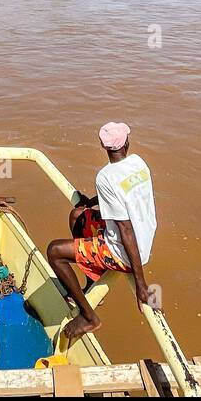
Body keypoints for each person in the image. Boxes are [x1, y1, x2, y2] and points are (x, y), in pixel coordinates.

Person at [46, 121, 157, 340]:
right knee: (78, 215)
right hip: (144, 239)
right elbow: (124, 194)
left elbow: (125, 230)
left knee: (54, 251)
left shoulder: (105, 177)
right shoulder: (138, 163)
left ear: (103, 146)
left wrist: (141, 284)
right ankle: (90, 278)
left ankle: (89, 317)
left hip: (123, 252)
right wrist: (92, 201)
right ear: (127, 143)